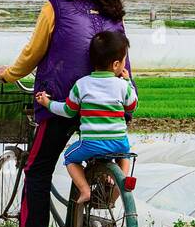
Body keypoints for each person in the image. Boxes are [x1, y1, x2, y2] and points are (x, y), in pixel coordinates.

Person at [0, 0, 130, 227]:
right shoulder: (114, 15)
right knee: (108, 146)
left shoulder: (56, 6)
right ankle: (107, 192)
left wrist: (10, 75)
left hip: (63, 99)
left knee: (38, 167)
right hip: (114, 100)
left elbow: (33, 52)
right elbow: (124, 60)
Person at [35, 29, 136, 212]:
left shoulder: (82, 84)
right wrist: (128, 82)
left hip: (91, 145)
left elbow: (67, 110)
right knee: (126, 154)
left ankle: (85, 190)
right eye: (123, 61)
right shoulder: (122, 85)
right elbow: (132, 106)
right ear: (115, 65)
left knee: (69, 158)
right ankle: (115, 189)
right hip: (118, 143)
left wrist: (48, 103)